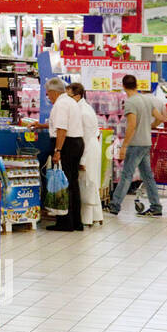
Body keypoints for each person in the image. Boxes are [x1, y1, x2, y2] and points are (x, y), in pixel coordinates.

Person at [106, 73, 164, 218]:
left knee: (126, 175)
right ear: (136, 85)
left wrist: (124, 146)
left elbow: (131, 126)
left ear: (123, 86)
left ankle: (114, 206)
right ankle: (156, 206)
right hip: (146, 143)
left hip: (136, 143)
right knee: (147, 176)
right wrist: (149, 127)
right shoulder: (146, 99)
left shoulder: (131, 102)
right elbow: (160, 118)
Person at [31, 77, 84, 231]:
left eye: (48, 94)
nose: (48, 97)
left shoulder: (60, 105)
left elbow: (62, 129)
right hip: (76, 143)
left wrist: (58, 151)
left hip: (66, 144)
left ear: (54, 92)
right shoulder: (70, 102)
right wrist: (41, 125)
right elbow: (60, 124)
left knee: (63, 184)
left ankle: (65, 222)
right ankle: (76, 222)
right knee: (72, 183)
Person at [68, 83, 103, 228]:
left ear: (77, 96)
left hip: (88, 149)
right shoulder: (82, 108)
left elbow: (87, 137)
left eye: (69, 95)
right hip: (89, 147)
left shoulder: (82, 112)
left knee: (86, 182)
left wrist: (82, 159)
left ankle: (87, 218)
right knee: (90, 182)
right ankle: (95, 216)